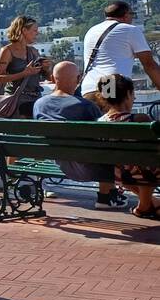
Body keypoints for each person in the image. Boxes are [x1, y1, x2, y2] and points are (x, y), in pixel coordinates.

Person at [33, 61, 129, 209]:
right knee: (111, 146)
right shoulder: (85, 106)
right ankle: (106, 197)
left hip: (59, 164)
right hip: (89, 169)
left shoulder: (39, 104)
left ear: (52, 79)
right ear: (78, 80)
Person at [95, 75, 159, 219]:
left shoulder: (100, 122)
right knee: (147, 164)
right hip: (143, 172)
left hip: (115, 174)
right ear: (128, 94)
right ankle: (144, 207)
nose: (134, 98)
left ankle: (146, 205)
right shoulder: (140, 120)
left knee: (141, 164)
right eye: (133, 94)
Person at [79, 0, 160, 96]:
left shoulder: (91, 30)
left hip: (88, 86)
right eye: (132, 14)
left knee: (98, 111)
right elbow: (149, 64)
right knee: (115, 111)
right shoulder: (130, 30)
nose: (132, 18)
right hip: (110, 82)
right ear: (126, 15)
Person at [0, 15, 48, 118]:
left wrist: (45, 68)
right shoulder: (7, 51)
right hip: (17, 103)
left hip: (35, 101)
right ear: (24, 30)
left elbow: (43, 76)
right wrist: (24, 73)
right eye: (34, 30)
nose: (37, 33)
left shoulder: (33, 51)